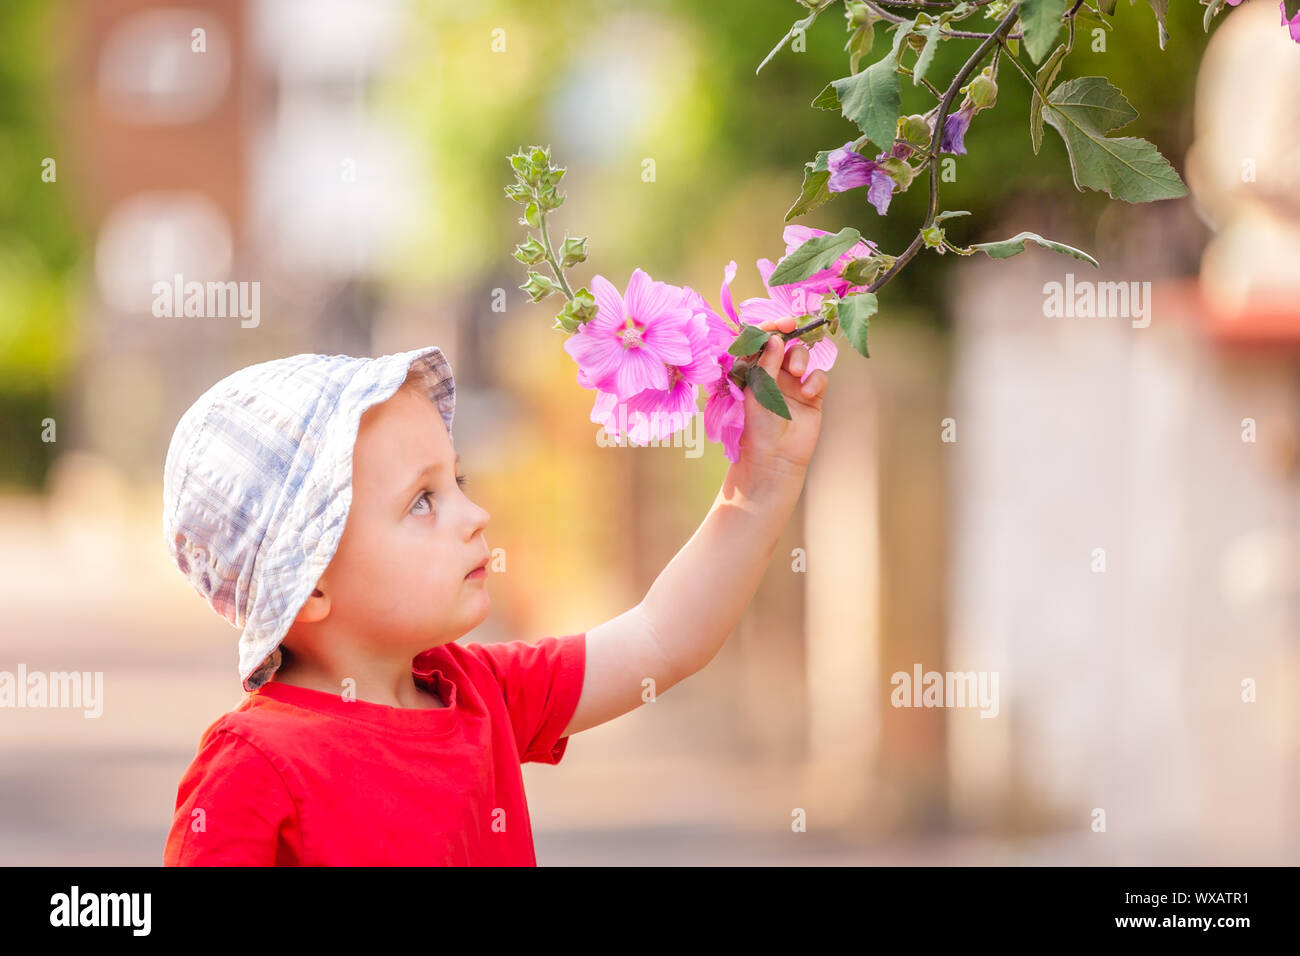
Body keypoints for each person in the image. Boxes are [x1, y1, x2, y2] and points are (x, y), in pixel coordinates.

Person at [161, 316, 829, 865]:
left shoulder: (481, 691)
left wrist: (767, 472)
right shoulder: (253, 770)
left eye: (459, 481)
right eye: (421, 501)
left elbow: (662, 639)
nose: (474, 516)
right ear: (306, 587)